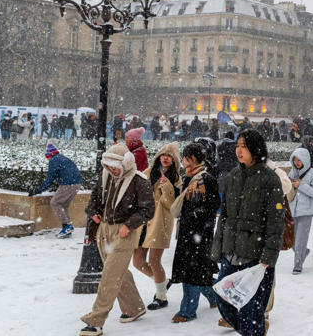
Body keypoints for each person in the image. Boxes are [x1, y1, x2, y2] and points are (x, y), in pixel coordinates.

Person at [212, 129, 284, 336]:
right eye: (237, 145)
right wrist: (218, 248)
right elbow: (224, 216)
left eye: (244, 146)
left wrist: (268, 256)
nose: (239, 150)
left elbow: (275, 222)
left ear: (255, 149)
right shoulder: (232, 176)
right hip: (231, 254)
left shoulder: (270, 179)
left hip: (256, 258)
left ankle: (253, 330)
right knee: (223, 300)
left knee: (251, 311)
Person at [79, 143, 154, 336]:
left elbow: (147, 210)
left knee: (110, 276)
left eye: (115, 166)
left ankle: (95, 320)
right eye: (108, 166)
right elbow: (94, 198)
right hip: (104, 230)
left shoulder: (139, 181)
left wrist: (128, 225)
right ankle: (134, 307)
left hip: (124, 233)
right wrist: (94, 212)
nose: (112, 170)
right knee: (117, 272)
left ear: (126, 163)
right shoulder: (105, 176)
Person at [171, 143, 221, 323]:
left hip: (199, 234)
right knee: (200, 272)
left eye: (185, 158)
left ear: (193, 158)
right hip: (188, 233)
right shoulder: (188, 178)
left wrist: (194, 215)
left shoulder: (206, 179)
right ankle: (217, 296)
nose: (183, 161)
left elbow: (213, 206)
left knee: (192, 271)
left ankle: (187, 311)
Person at [132, 142, 182, 311]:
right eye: (163, 155)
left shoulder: (176, 179)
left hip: (160, 222)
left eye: (169, 156)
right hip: (143, 223)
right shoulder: (148, 173)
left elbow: (172, 205)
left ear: (174, 160)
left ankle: (161, 296)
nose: (165, 158)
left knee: (154, 261)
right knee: (138, 262)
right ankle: (163, 282)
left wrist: (166, 186)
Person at [28, 143, 83, 238]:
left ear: (49, 155)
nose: (48, 159)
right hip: (77, 183)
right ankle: (67, 227)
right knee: (64, 204)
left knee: (55, 202)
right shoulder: (63, 158)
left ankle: (67, 226)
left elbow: (50, 178)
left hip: (68, 184)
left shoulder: (54, 160)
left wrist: (38, 190)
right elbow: (66, 171)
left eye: (47, 157)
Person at [288, 148, 313, 274]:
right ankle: (303, 252)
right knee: (291, 240)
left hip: (306, 211)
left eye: (299, 160)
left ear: (305, 159)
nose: (297, 162)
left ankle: (298, 264)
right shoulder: (292, 173)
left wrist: (300, 185)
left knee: (300, 239)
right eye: (295, 160)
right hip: (292, 210)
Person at [215, 131, 238, 195]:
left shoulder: (219, 147)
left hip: (222, 172)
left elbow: (217, 160)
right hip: (234, 171)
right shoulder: (236, 147)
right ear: (233, 138)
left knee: (222, 192)